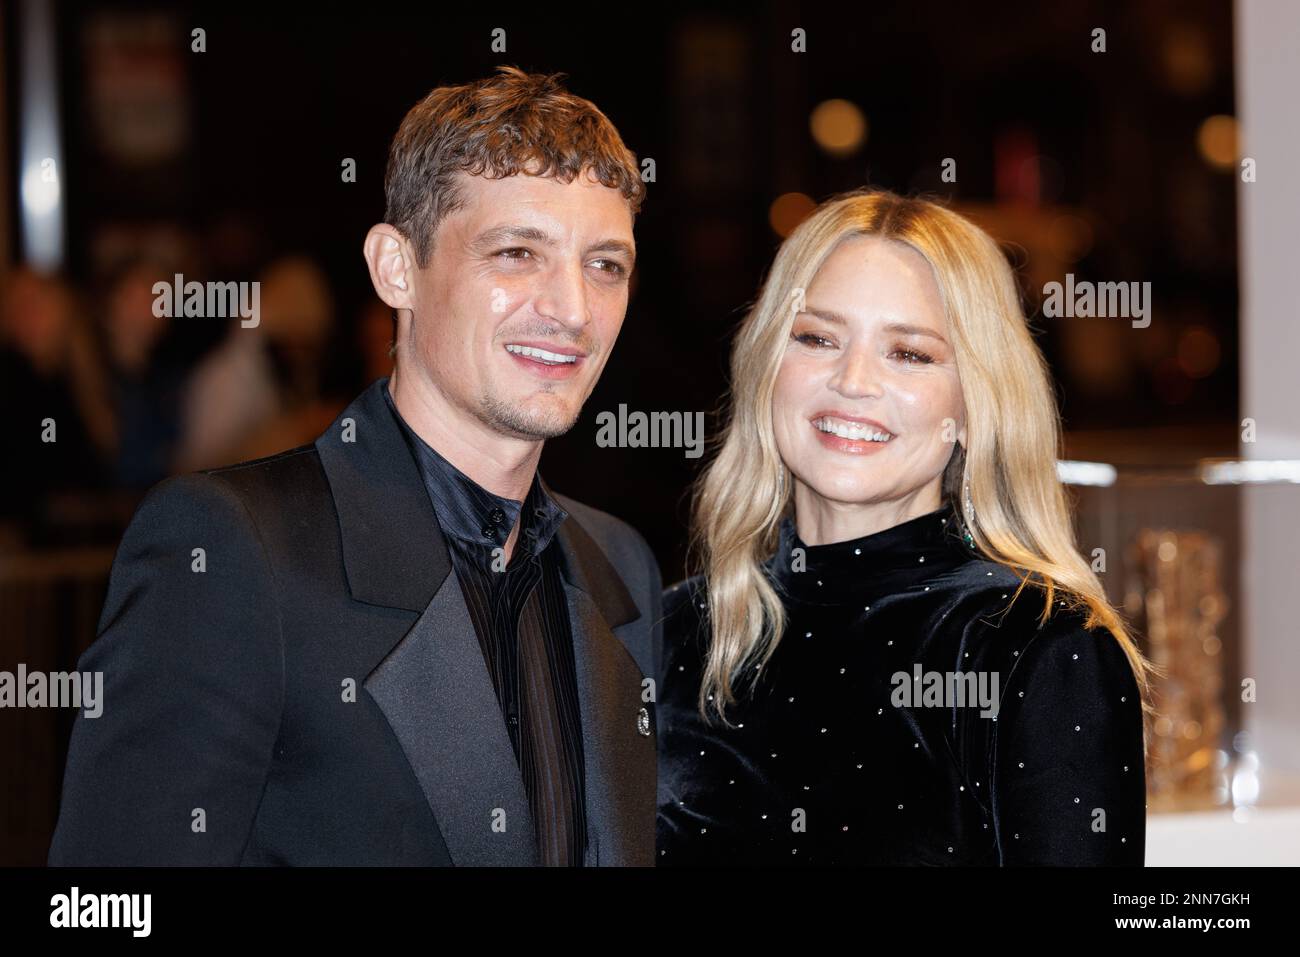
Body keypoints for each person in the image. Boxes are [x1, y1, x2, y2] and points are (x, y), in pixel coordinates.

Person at [49, 66, 661, 866]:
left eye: (605, 265)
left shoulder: (620, 567)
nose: (574, 308)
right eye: (517, 252)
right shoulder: (235, 551)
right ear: (395, 268)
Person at [656, 189, 1152, 866]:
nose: (853, 380)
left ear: (978, 404)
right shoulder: (672, 633)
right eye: (817, 337)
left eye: (910, 353)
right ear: (766, 364)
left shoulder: (1039, 646)